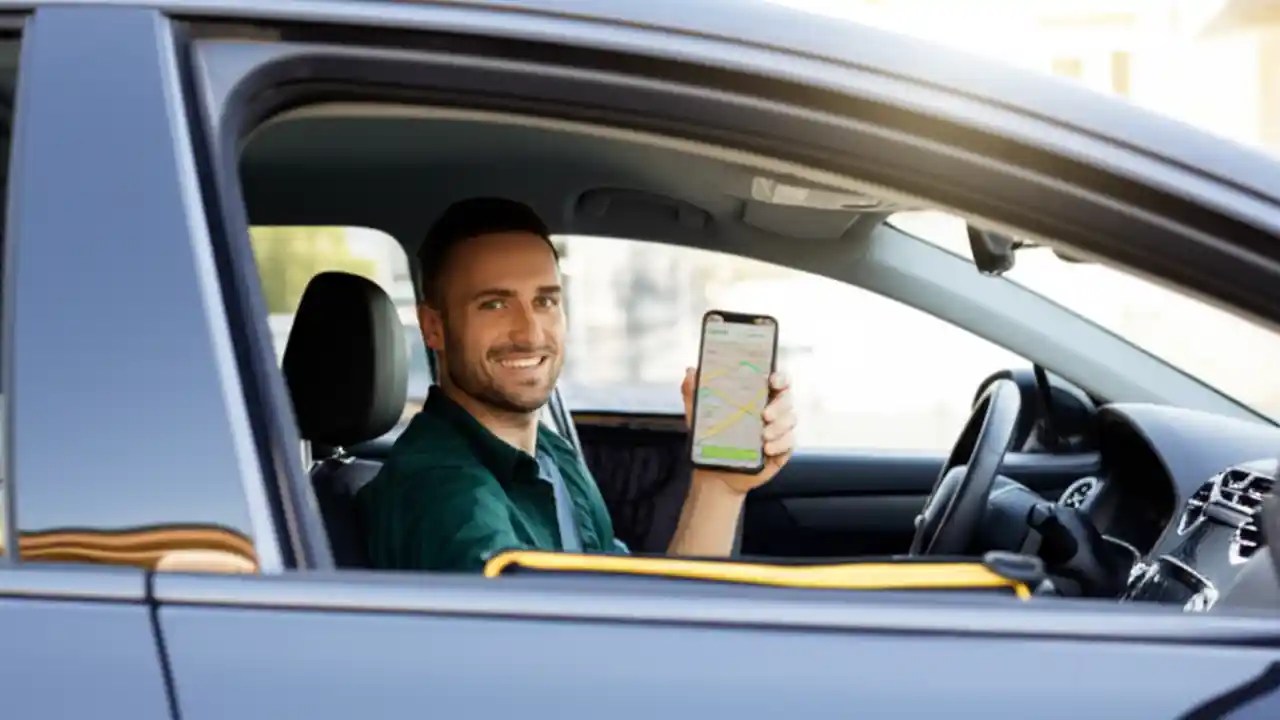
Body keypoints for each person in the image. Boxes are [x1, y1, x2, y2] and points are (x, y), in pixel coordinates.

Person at [357, 197, 797, 572]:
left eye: (545, 300)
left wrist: (718, 486)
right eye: (494, 304)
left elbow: (642, 611)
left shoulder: (549, 453)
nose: (530, 332)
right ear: (433, 327)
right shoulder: (448, 498)